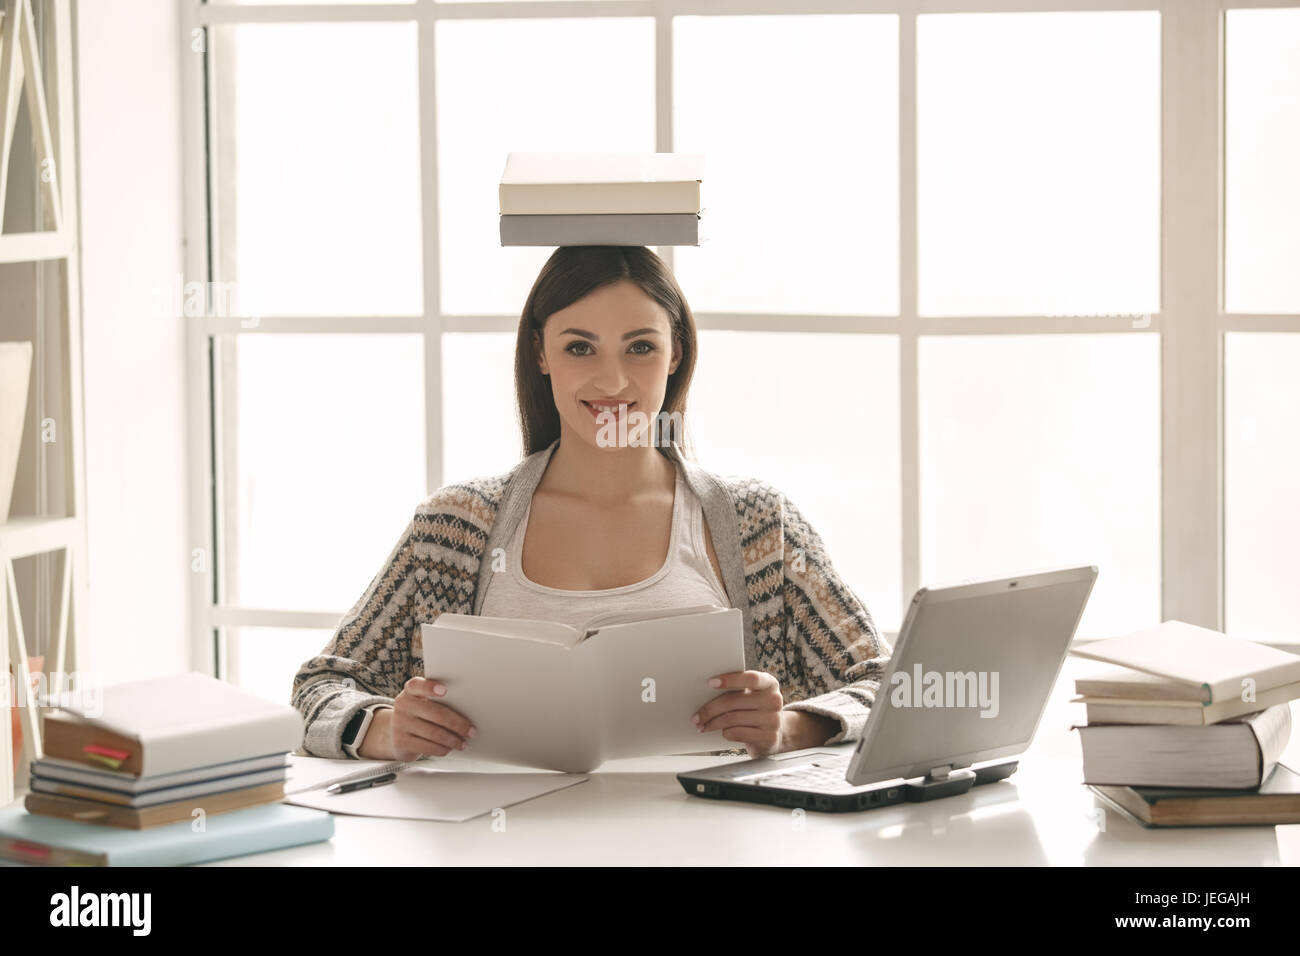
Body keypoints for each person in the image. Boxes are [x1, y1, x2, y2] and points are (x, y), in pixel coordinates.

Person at [292, 245, 891, 762]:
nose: (611, 382)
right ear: (540, 354)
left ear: (675, 354)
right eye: (581, 348)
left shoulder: (758, 525)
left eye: (639, 348)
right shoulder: (455, 527)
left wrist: (787, 728)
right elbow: (321, 686)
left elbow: (886, 683)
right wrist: (385, 729)